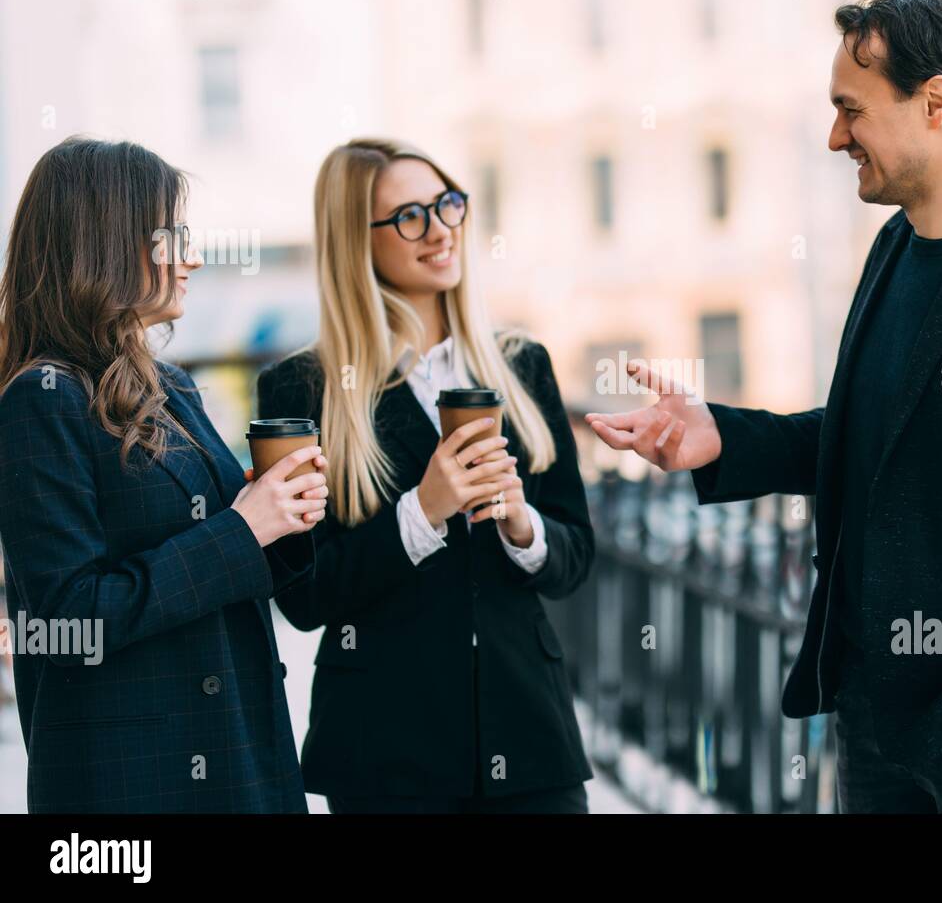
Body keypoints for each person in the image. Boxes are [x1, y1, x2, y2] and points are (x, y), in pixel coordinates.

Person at [587, 0, 942, 814]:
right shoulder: (894, 247)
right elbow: (880, 435)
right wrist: (721, 437)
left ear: (936, 102)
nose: (834, 136)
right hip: (877, 722)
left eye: (851, 109)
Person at [258, 138, 594, 813]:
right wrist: (423, 511)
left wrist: (522, 523)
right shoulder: (303, 389)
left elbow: (575, 558)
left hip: (529, 742)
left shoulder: (521, 364)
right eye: (410, 216)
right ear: (356, 240)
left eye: (447, 204)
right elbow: (304, 595)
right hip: (384, 753)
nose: (440, 229)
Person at [0, 137, 329, 812]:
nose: (194, 257)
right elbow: (68, 621)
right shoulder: (41, 397)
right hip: (135, 785)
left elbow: (217, 548)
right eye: (171, 236)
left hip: (241, 753)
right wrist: (243, 527)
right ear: (106, 242)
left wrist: (282, 510)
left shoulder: (172, 385)